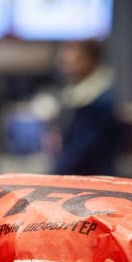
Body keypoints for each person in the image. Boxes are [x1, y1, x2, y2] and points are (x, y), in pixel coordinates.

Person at [52, 39, 121, 176]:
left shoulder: (99, 100)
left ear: (90, 59)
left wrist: (55, 175)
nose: (65, 58)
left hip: (93, 179)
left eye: (73, 54)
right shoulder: (76, 94)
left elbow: (82, 150)